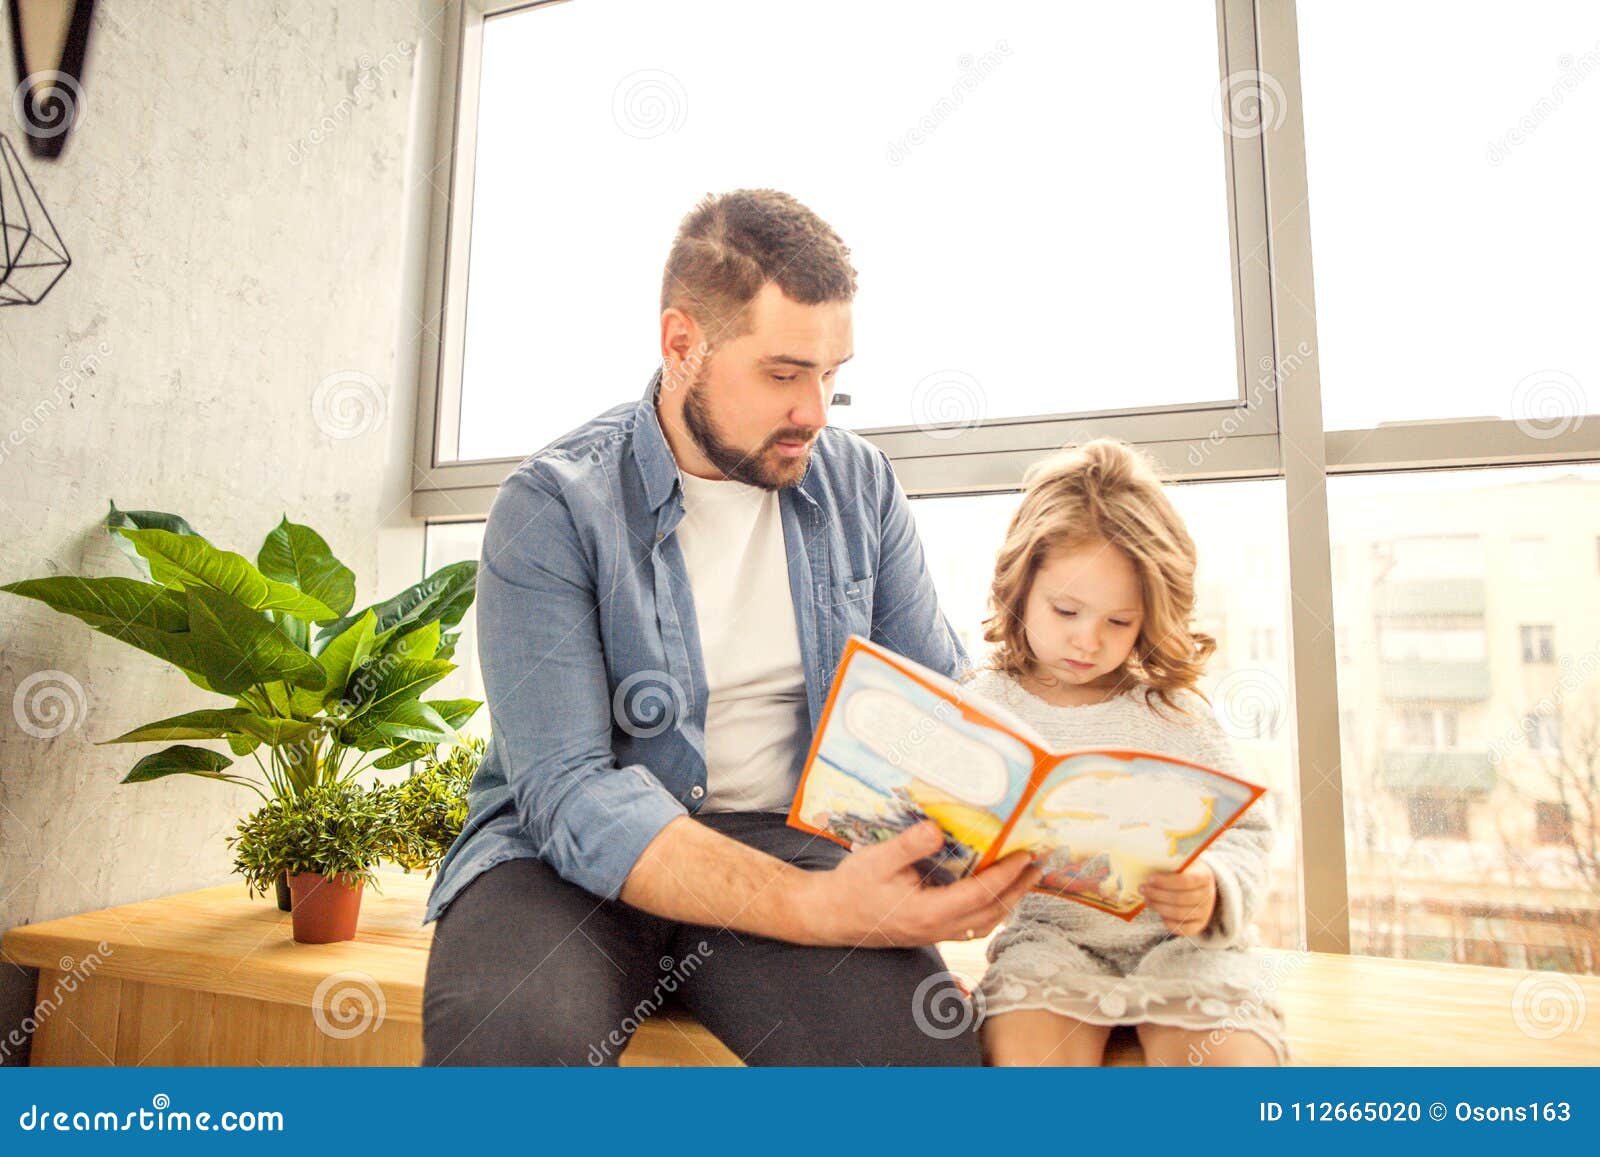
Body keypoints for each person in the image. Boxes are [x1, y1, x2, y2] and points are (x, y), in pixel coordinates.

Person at [421, 188, 1040, 1066]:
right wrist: (813, 908)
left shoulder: (860, 486)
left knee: (926, 1067)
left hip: (790, 840)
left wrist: (1006, 834)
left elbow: (935, 704)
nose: (816, 412)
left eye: (833, 376)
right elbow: (568, 792)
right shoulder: (554, 504)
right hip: (560, 866)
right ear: (682, 345)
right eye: (784, 374)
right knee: (511, 1040)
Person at [970, 438, 1288, 1066]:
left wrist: (1213, 889)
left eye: (1119, 622)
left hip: (1184, 950)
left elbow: (1247, 835)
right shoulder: (982, 707)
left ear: (1149, 616)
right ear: (1020, 587)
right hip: (1049, 944)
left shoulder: (1171, 713)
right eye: (1065, 610)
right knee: (1025, 1065)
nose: (1087, 641)